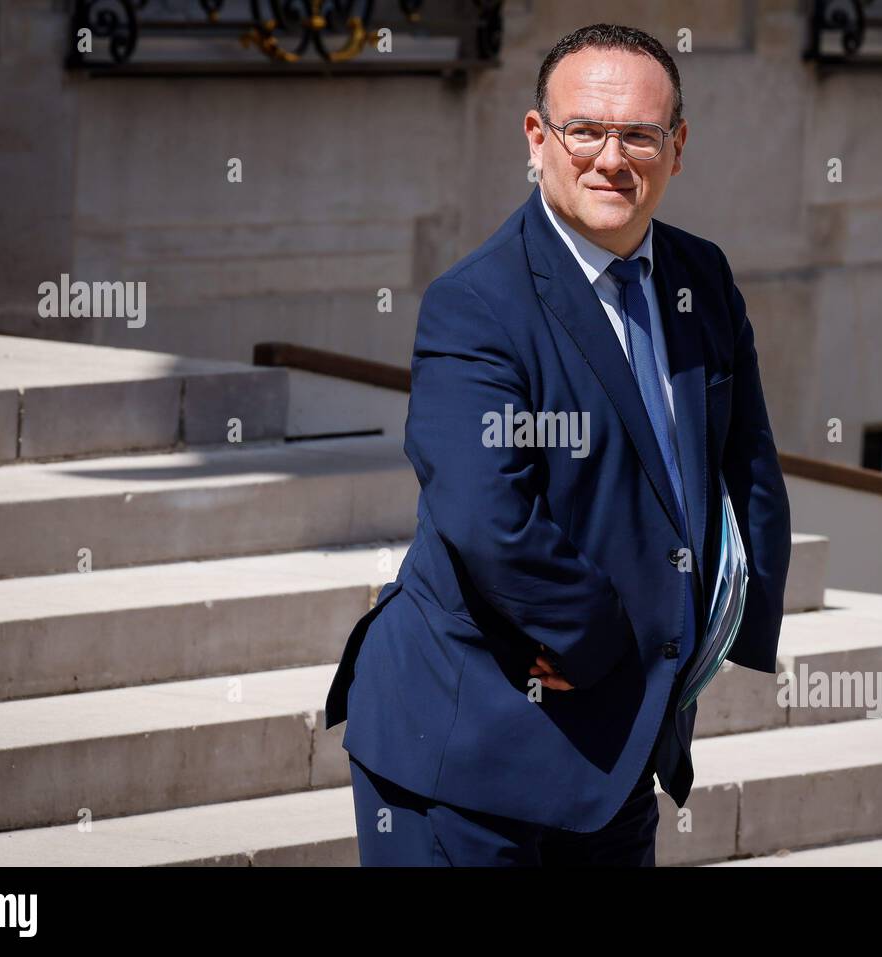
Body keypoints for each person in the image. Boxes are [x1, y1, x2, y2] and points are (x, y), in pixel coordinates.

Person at [324, 22, 792, 866]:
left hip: (621, 745)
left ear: (677, 148)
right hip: (469, 743)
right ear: (538, 139)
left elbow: (746, 460)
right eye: (585, 130)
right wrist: (606, 642)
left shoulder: (702, 278)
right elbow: (487, 513)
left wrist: (730, 630)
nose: (612, 158)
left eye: (640, 135)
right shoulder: (477, 303)